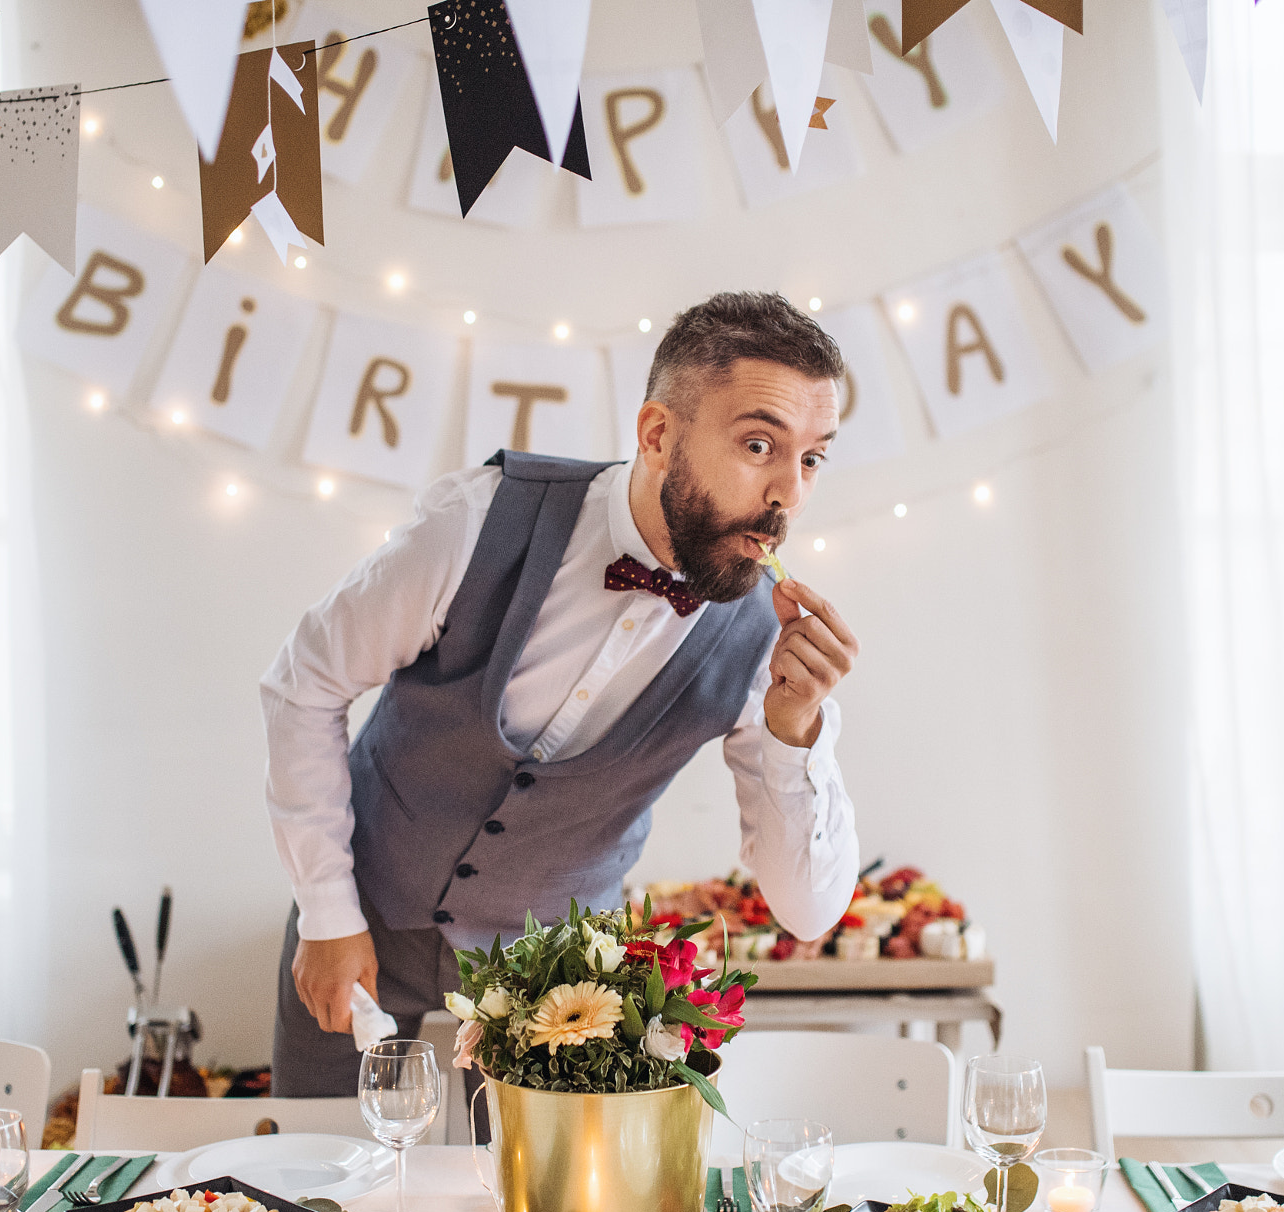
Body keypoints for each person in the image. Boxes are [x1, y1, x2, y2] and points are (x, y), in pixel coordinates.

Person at [261, 290, 863, 1096]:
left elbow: (811, 910)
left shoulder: (769, 644)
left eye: (813, 457)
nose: (788, 492)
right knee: (318, 1188)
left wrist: (796, 729)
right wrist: (328, 914)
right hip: (358, 925)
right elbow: (305, 681)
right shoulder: (477, 520)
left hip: (561, 988)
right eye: (760, 444)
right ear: (658, 434)